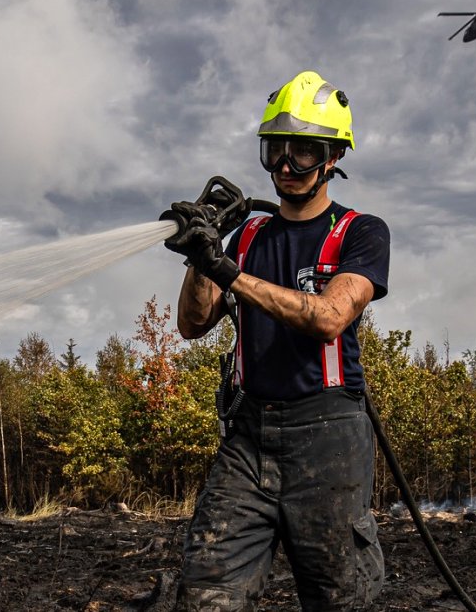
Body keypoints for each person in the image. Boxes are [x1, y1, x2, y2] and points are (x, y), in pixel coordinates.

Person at [161, 70, 391, 611]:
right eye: (274, 152)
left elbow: (330, 317)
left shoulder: (360, 232)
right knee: (203, 593)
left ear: (333, 157)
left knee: (339, 599)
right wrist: (204, 257)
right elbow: (192, 324)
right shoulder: (248, 237)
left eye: (303, 153)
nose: (285, 167)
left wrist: (229, 271)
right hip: (248, 438)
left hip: (329, 439)